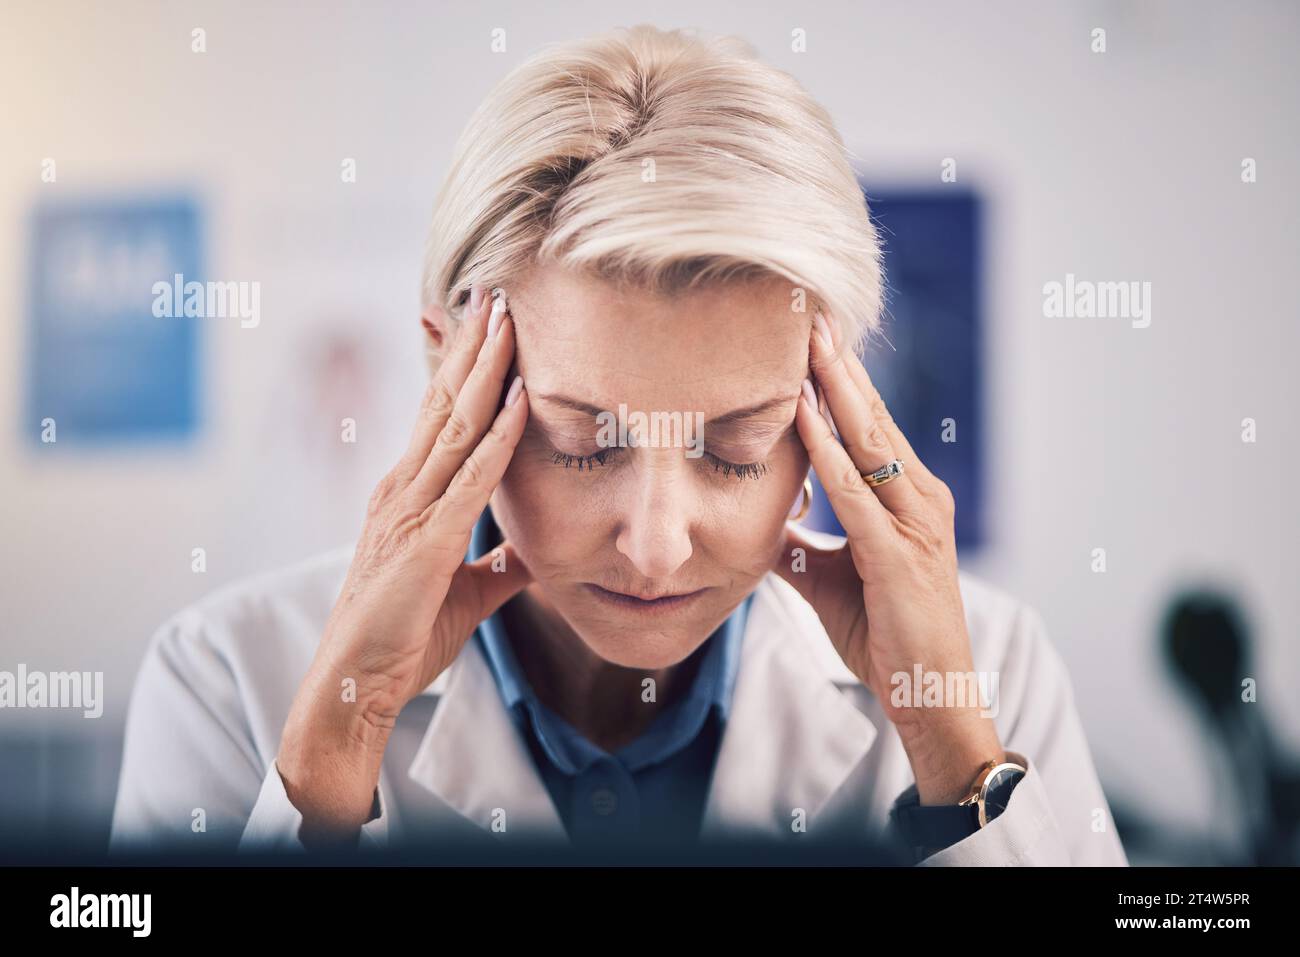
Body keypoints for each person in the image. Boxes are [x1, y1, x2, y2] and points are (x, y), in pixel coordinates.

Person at [110, 24, 1127, 865]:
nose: (653, 546)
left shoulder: (991, 670)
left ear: (832, 410)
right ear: (448, 378)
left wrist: (951, 756)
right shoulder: (225, 677)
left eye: (735, 449)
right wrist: (335, 752)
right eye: (579, 443)